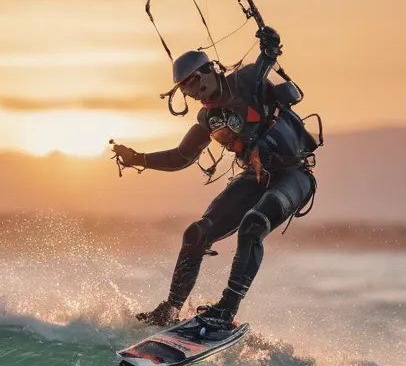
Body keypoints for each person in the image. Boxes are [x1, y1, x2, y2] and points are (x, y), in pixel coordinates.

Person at [111, 26, 316, 329]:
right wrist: (137, 159)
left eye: (194, 82)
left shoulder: (245, 80)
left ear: (209, 71)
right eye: (185, 89)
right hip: (256, 177)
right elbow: (180, 157)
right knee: (196, 233)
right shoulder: (209, 118)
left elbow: (266, 58)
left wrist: (270, 43)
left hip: (294, 175)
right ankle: (170, 310)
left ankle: (226, 310)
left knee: (253, 225)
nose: (193, 92)